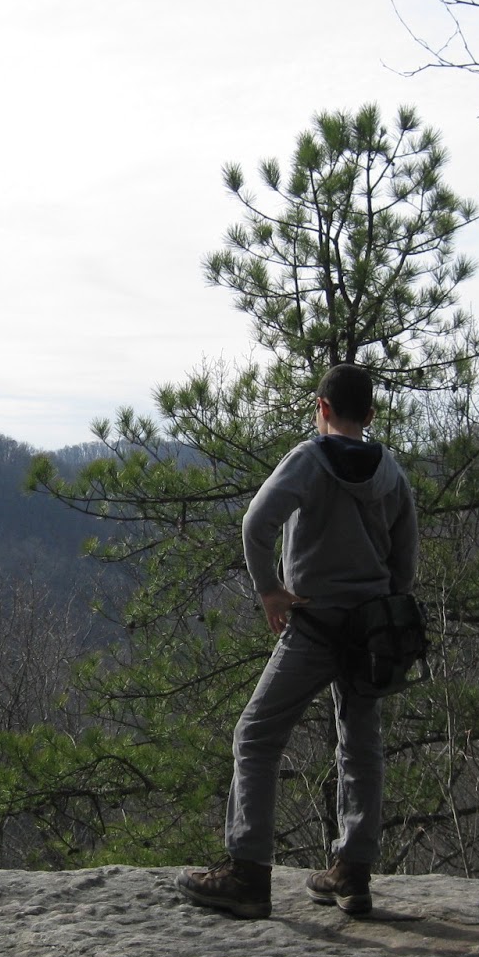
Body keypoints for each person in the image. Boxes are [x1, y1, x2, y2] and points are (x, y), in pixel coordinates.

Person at [176, 363, 418, 919]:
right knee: (360, 746)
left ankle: (247, 874)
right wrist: (387, 608)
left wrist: (270, 591)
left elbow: (255, 525)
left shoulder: (309, 460)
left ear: (322, 408)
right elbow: (405, 555)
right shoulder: (391, 472)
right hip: (370, 630)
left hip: (312, 627)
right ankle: (353, 874)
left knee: (256, 736)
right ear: (371, 414)